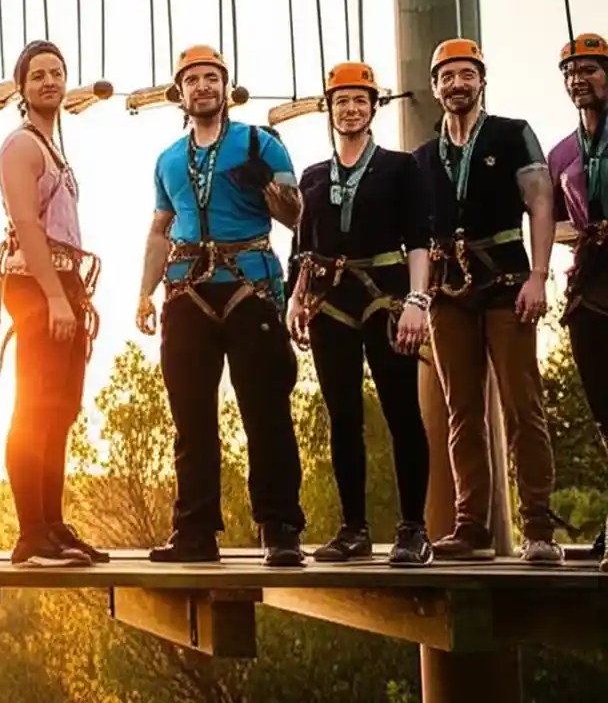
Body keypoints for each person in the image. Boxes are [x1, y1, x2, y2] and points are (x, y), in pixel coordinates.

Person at [136, 44, 307, 567]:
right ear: (181, 93)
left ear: (225, 86)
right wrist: (142, 292)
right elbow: (160, 229)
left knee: (266, 410)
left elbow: (295, 215)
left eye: (212, 78)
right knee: (190, 417)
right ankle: (194, 531)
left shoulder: (261, 143)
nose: (203, 87)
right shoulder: (168, 159)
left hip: (248, 284)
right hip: (186, 288)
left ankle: (279, 528)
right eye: (193, 80)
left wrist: (266, 188)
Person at [412, 38, 563, 564]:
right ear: (434, 88)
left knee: (523, 405)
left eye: (465, 74)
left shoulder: (511, 134)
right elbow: (414, 235)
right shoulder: (425, 158)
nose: (456, 83)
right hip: (449, 291)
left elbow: (540, 202)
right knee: (462, 411)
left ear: (481, 80)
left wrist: (539, 276)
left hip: (505, 282)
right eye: (447, 76)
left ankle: (538, 528)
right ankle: (470, 525)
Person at [287, 61, 434, 567]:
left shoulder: (400, 167)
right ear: (329, 109)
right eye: (341, 102)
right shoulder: (312, 177)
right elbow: (302, 247)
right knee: (342, 416)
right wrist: (294, 297)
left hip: (387, 298)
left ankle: (414, 530)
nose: (350, 109)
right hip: (330, 303)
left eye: (359, 101)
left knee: (401, 411)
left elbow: (419, 240)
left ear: (373, 108)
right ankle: (353, 530)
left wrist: (418, 301)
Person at [0, 40, 106, 568]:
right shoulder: (20, 146)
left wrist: (70, 296)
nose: (48, 81)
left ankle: (54, 525)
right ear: (22, 87)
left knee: (61, 411)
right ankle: (30, 535)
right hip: (38, 285)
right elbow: (26, 224)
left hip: (66, 284)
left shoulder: (53, 144)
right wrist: (56, 299)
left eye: (56, 72)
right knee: (34, 407)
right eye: (37, 75)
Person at [547, 32, 608, 572]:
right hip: (588, 284)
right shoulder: (562, 153)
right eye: (571, 72)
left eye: (589, 69)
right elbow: (555, 223)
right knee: (604, 412)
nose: (579, 80)